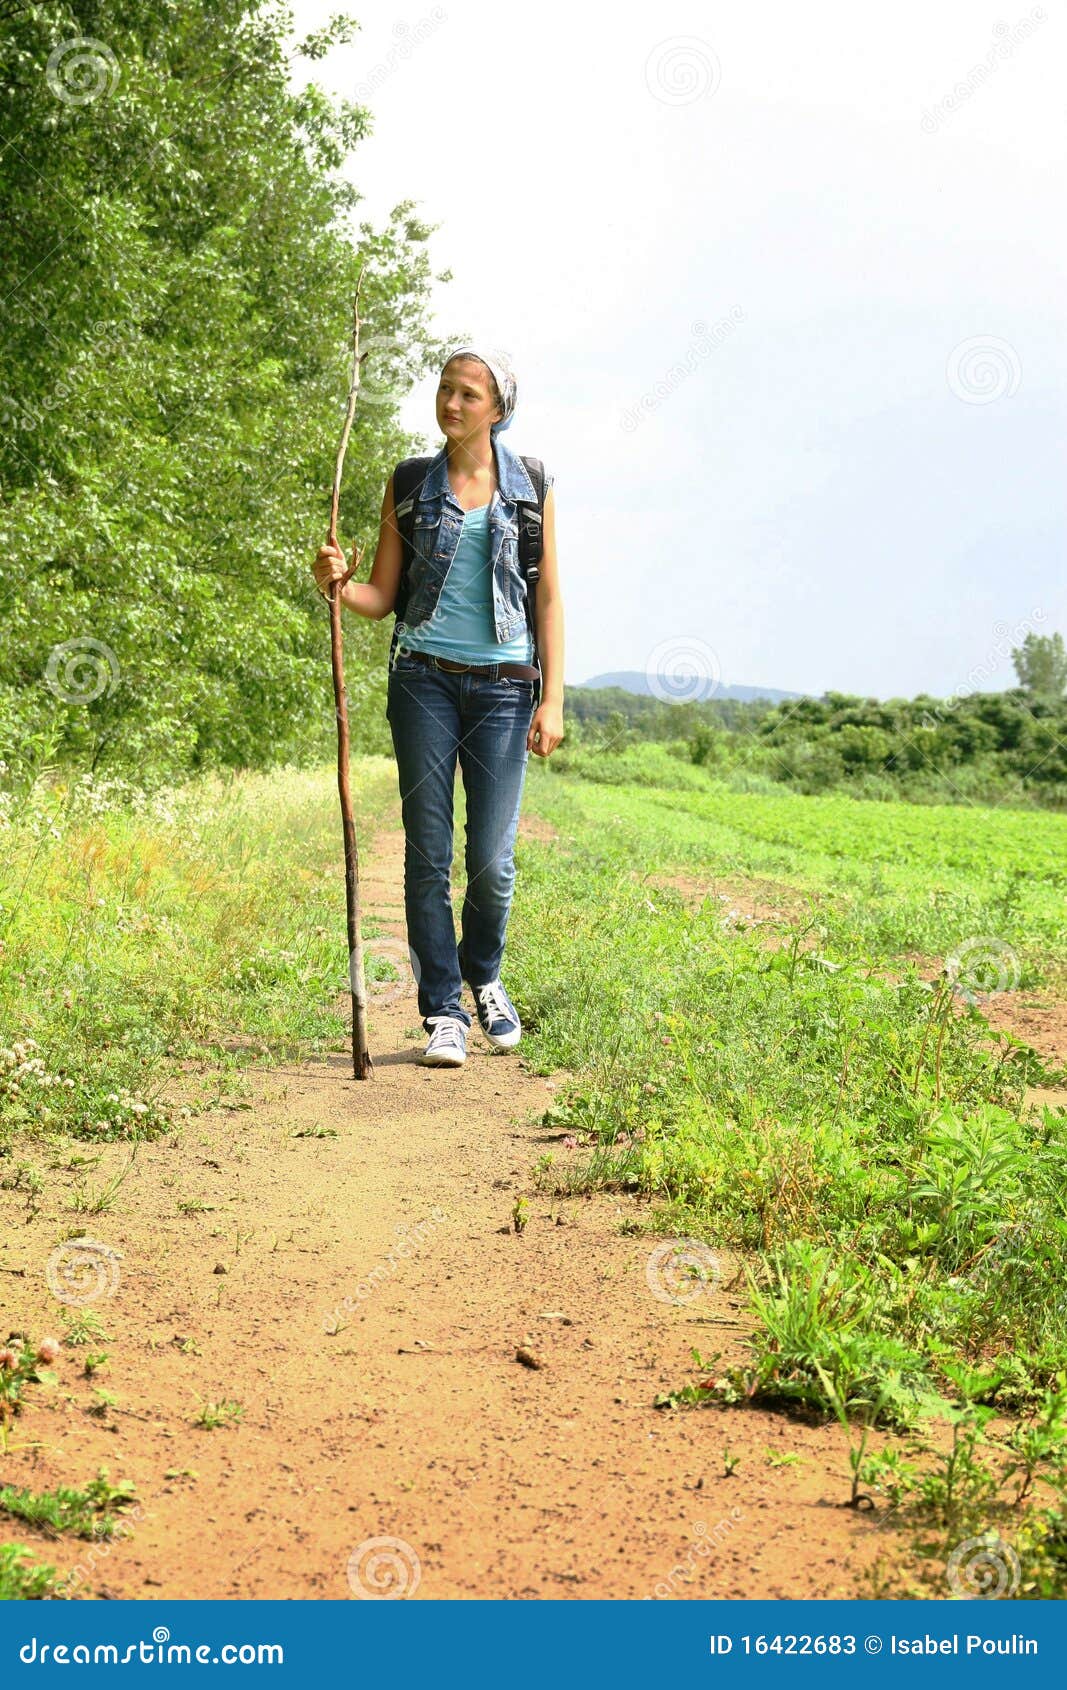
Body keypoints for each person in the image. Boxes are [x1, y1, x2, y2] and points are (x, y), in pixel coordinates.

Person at [312, 344, 565, 1068]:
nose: (450, 404)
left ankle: (483, 974)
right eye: (444, 390)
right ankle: (442, 1010)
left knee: (490, 861)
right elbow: (379, 599)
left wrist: (554, 698)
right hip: (421, 680)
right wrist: (332, 581)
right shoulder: (410, 483)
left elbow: (547, 596)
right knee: (427, 855)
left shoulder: (532, 484)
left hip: (506, 687)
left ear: (498, 408)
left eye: (467, 395)